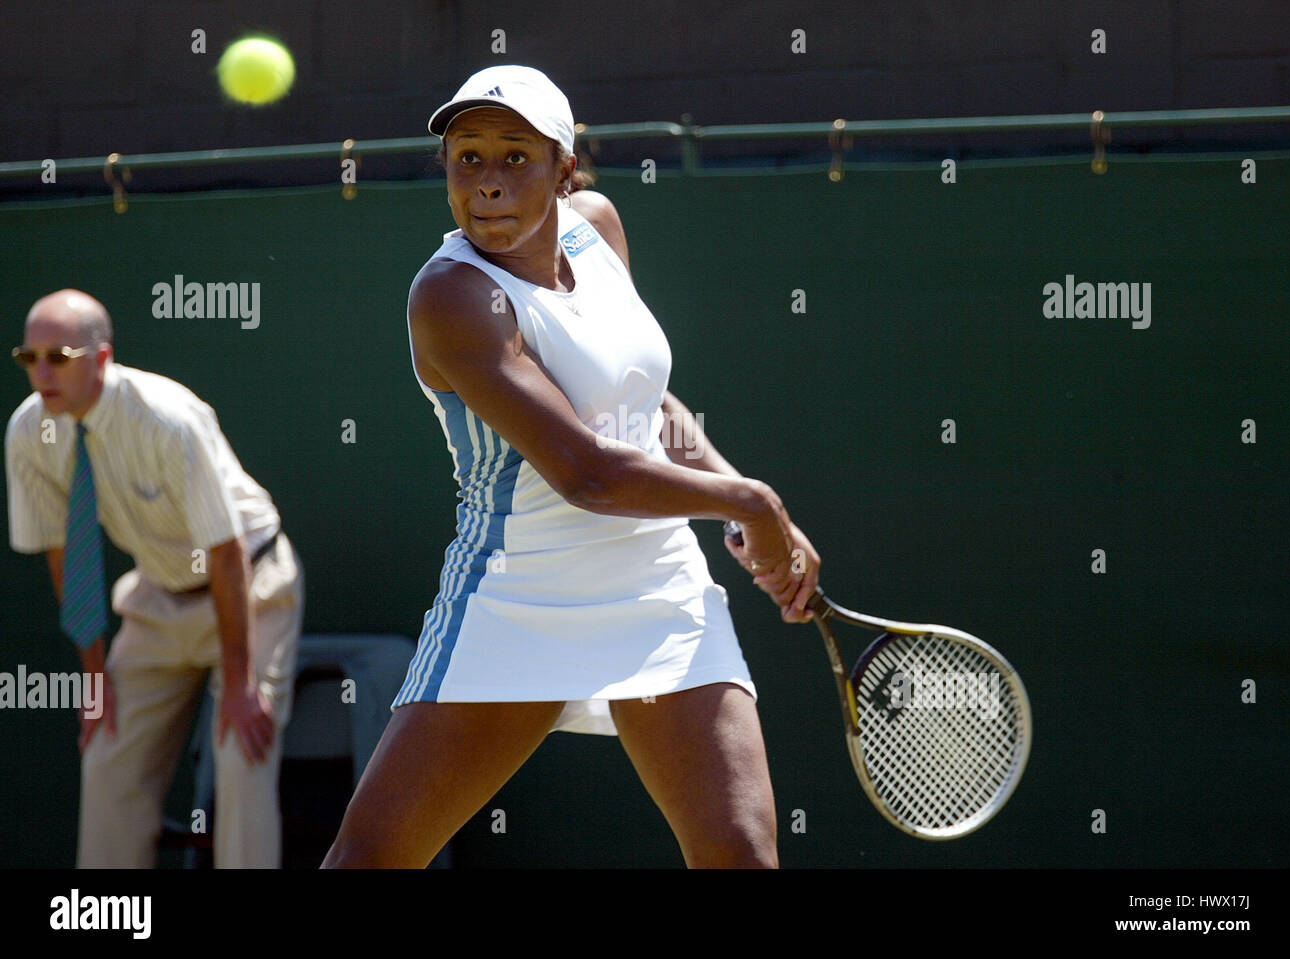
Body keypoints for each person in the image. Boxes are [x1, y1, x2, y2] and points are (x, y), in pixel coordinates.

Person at [322, 65, 820, 869]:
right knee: (371, 858)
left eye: (515, 157)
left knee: (741, 854)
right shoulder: (452, 297)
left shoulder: (598, 228)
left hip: (660, 584)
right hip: (521, 594)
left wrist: (740, 508)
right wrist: (753, 500)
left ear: (565, 166)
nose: (486, 182)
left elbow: (641, 405)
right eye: (467, 157)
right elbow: (586, 473)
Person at [5, 289, 304, 868]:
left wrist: (240, 684)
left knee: (241, 757)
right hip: (155, 597)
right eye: (28, 358)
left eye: (58, 356)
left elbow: (225, 553)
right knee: (105, 753)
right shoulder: (29, 433)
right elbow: (66, 557)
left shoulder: (169, 418)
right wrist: (95, 677)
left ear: (101, 357)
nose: (41, 373)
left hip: (249, 586)